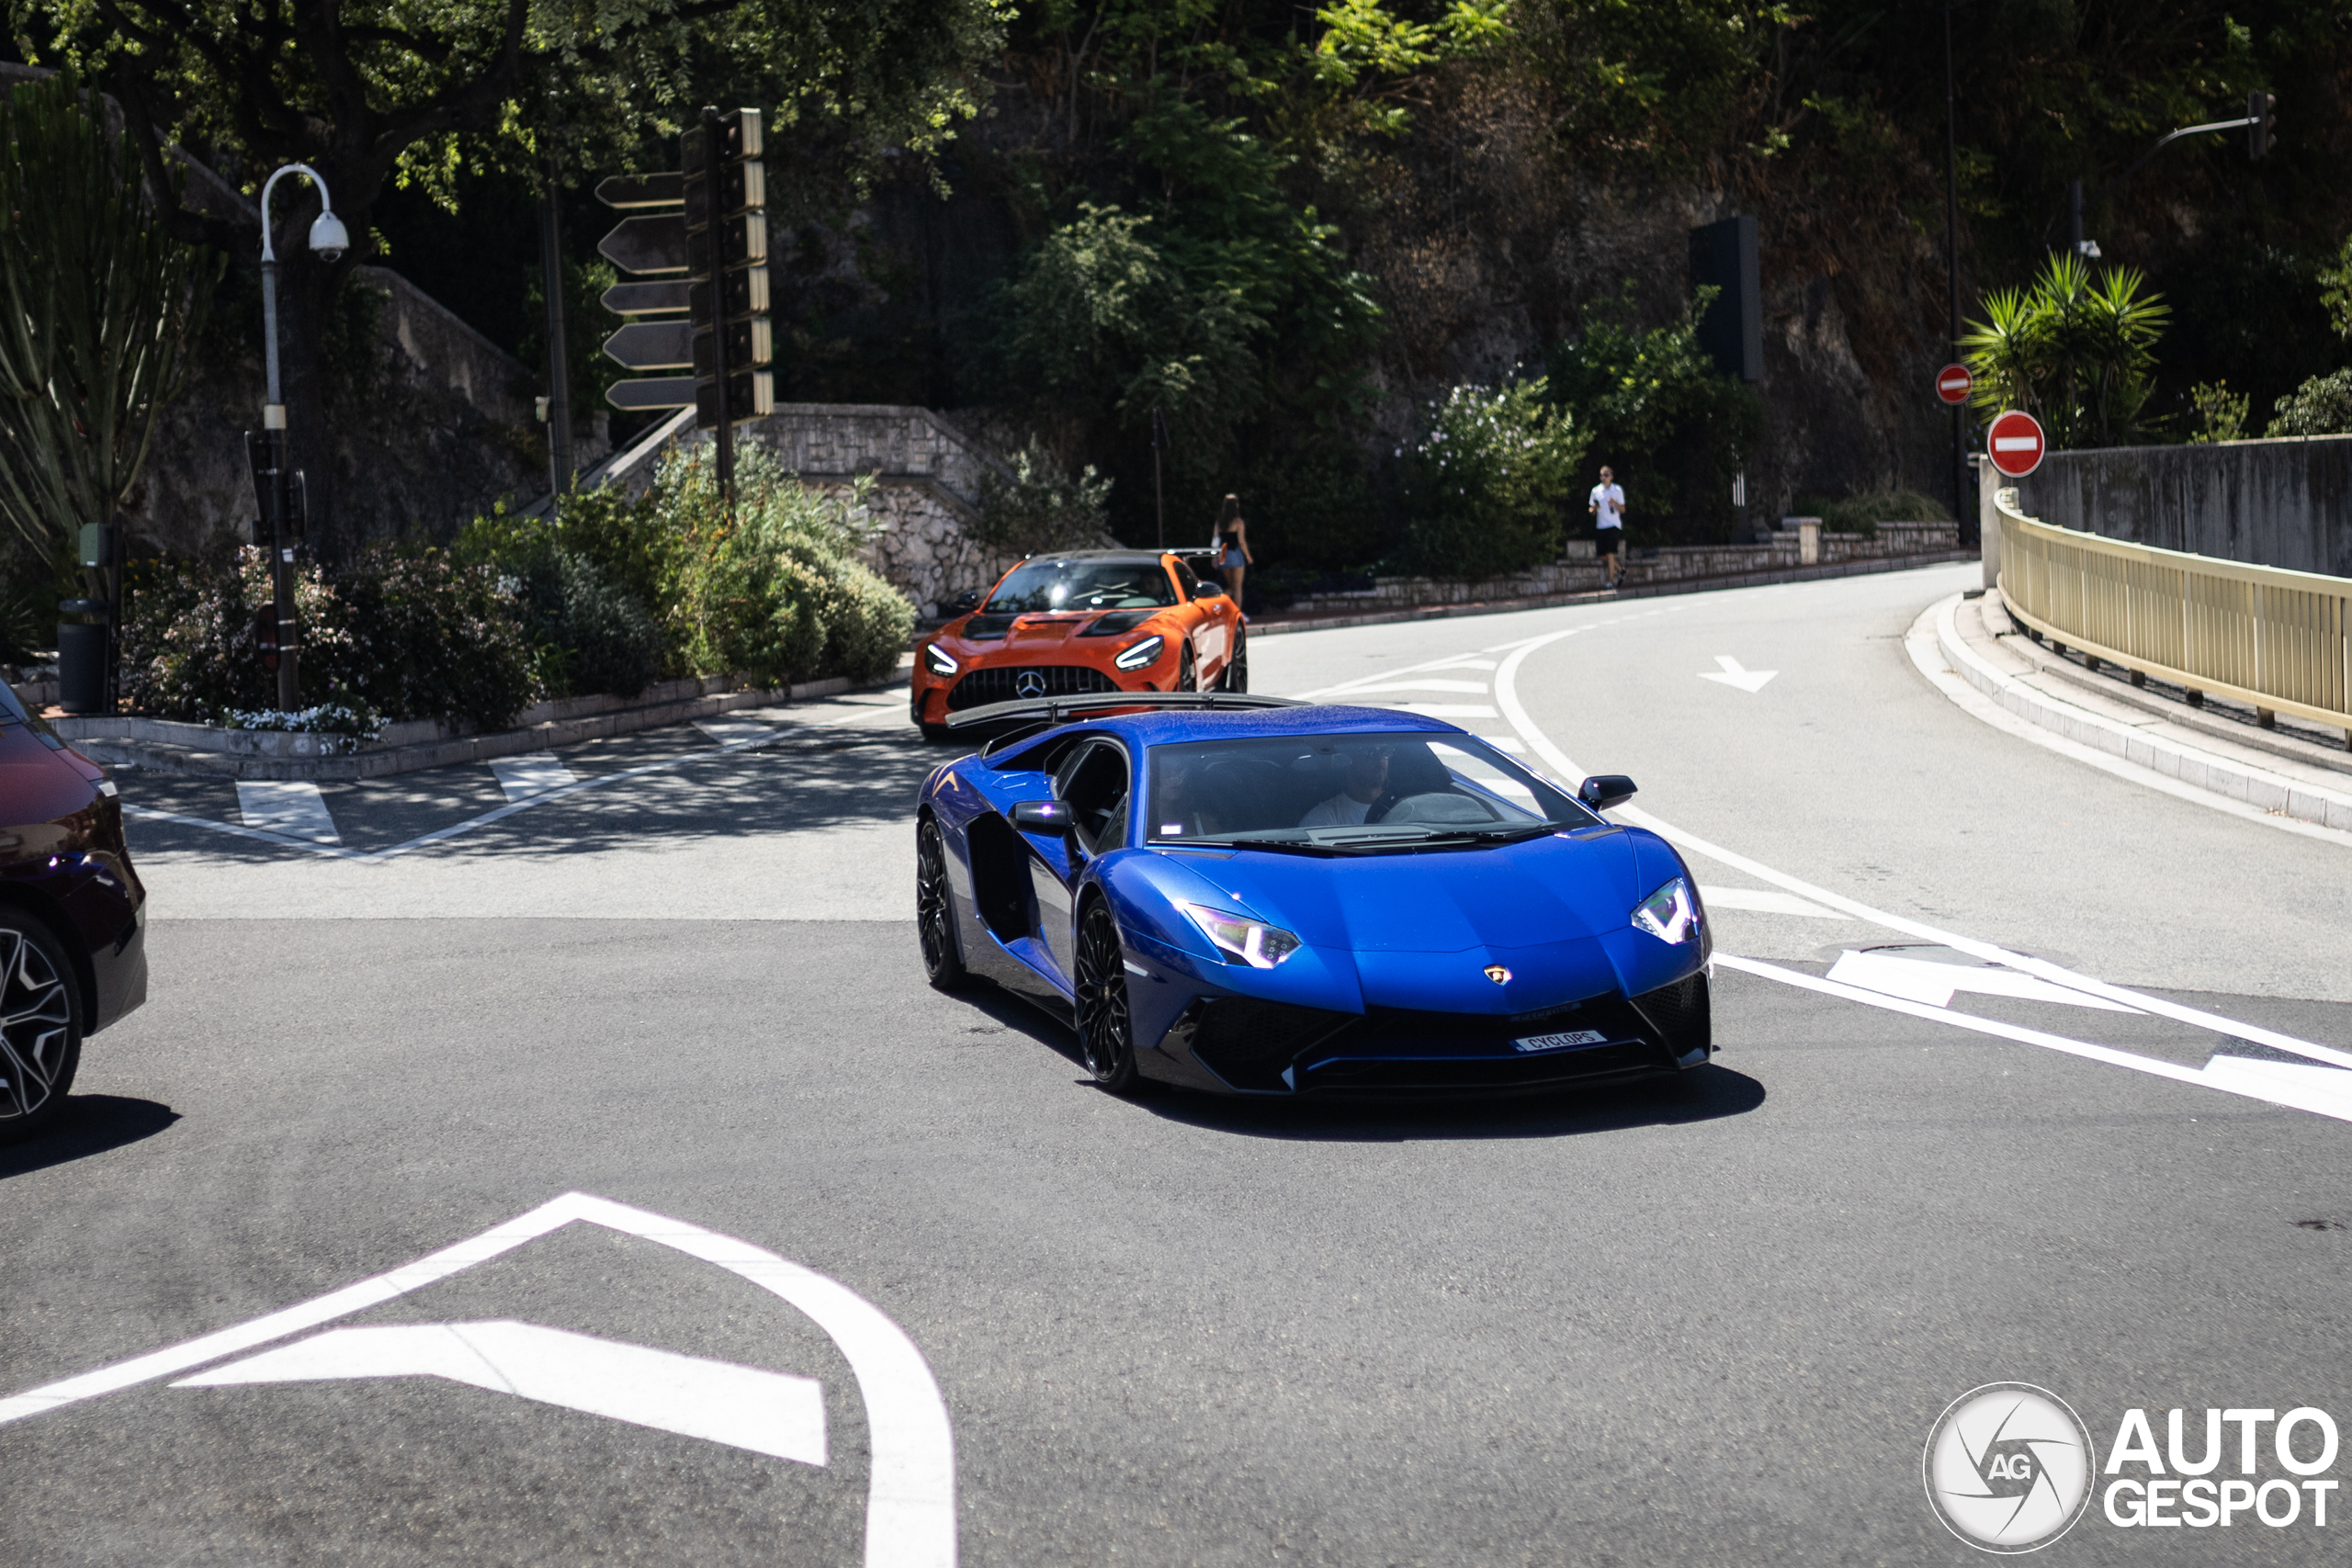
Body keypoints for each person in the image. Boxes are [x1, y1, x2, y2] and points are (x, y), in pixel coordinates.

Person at [1298, 747, 1391, 829]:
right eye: (1369, 752)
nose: (1380, 759)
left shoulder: (1402, 807)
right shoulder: (1322, 819)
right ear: (1348, 762)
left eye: (1384, 752)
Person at [1588, 465, 1628, 589]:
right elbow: (1590, 510)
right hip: (1601, 525)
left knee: (1610, 553)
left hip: (1613, 525)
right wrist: (1594, 508)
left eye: (1605, 475)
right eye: (1601, 475)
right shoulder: (1596, 491)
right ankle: (1620, 570)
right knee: (1602, 555)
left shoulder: (1617, 490)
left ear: (1611, 476)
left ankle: (1610, 581)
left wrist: (1614, 503)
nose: (1603, 477)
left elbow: (1623, 509)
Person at [1212, 494, 1252, 611]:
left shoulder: (1219, 521)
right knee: (1237, 588)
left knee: (1230, 587)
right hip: (1235, 554)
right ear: (1236, 506)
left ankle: (1219, 604)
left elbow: (1215, 540)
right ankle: (1237, 614)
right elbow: (1241, 541)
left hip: (1223, 555)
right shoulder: (1238, 522)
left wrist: (1214, 557)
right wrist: (1248, 556)